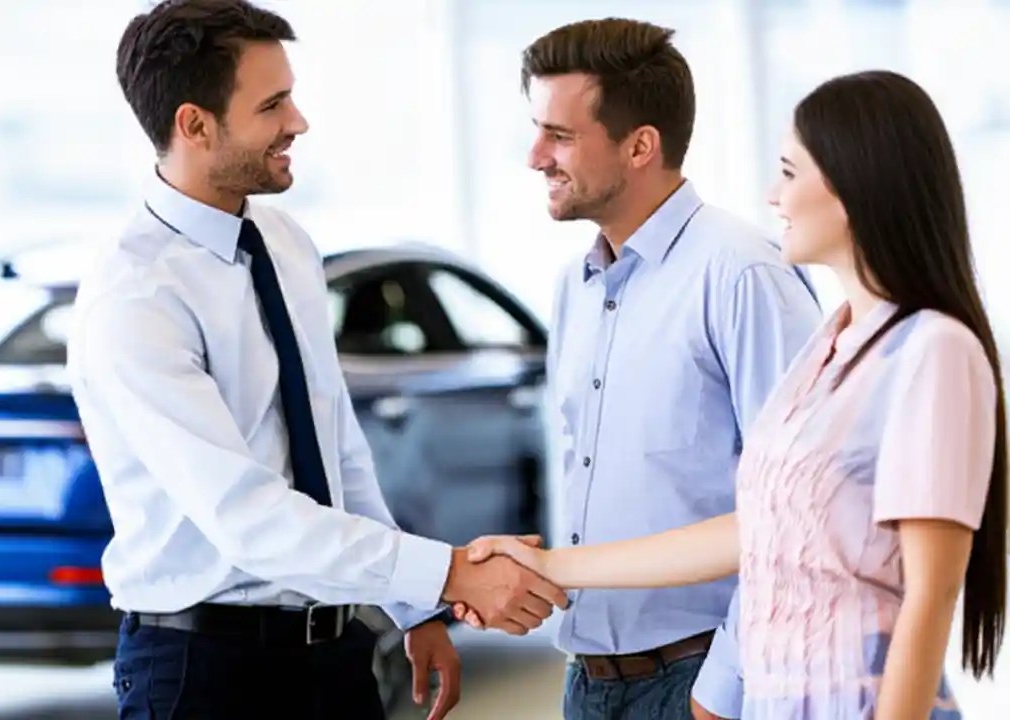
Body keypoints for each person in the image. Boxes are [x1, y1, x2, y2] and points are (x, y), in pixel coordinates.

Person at [65, 1, 568, 718]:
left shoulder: (286, 245)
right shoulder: (136, 297)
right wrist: (451, 572)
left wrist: (412, 607)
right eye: (272, 104)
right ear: (194, 124)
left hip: (330, 657)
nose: (298, 121)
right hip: (202, 674)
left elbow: (336, 452)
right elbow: (248, 519)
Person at [466, 69, 1007, 718]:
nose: (772, 195)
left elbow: (931, 594)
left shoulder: (932, 350)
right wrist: (553, 566)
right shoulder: (828, 349)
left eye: (789, 171)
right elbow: (756, 532)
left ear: (857, 184)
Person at [454, 17, 822, 720]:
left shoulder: (742, 275)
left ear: (640, 146)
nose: (535, 156)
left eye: (558, 135)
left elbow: (801, 512)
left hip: (702, 680)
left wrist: (724, 690)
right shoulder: (575, 285)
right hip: (588, 681)